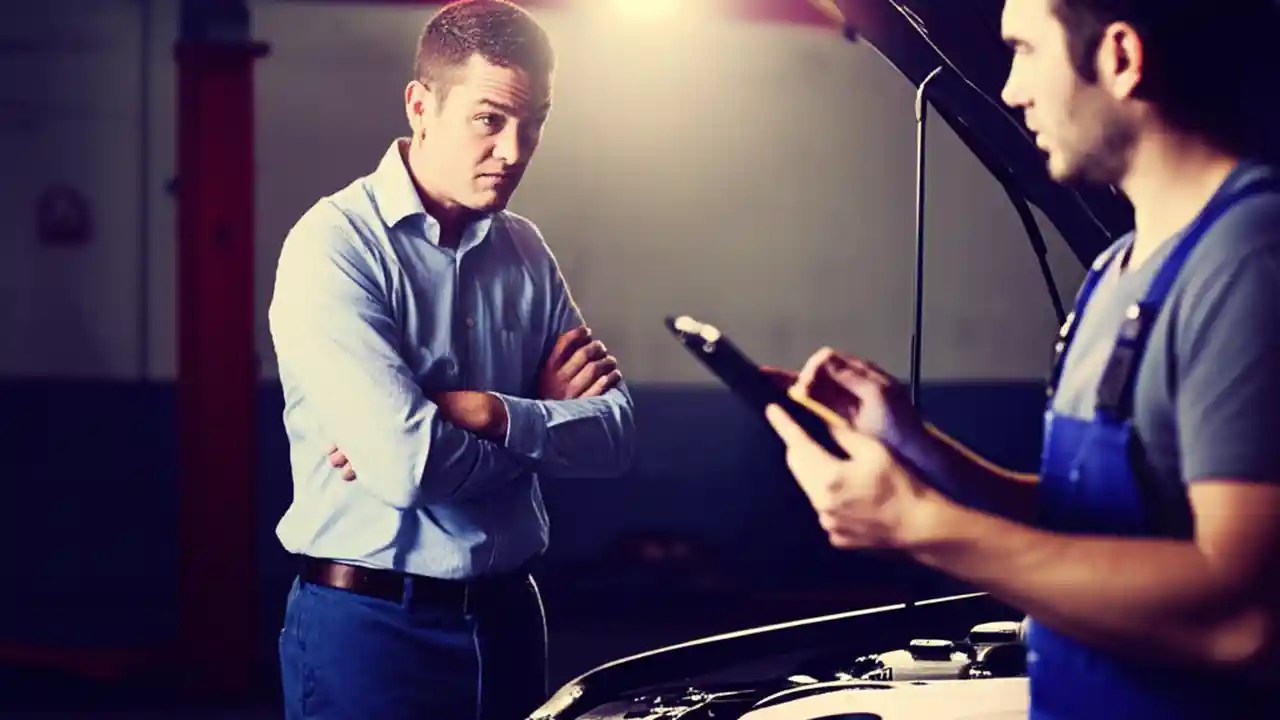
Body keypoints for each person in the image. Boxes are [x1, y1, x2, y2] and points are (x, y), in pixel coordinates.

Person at [764, 0, 1280, 717]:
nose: (1010, 89)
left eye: (1026, 51)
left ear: (1120, 59)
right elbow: (1088, 521)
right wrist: (915, 448)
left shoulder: (1251, 261)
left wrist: (920, 524)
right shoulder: (1113, 270)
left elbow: (1243, 619)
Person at [266, 1, 636, 718]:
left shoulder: (527, 251)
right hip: (370, 630)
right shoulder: (334, 247)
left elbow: (616, 436)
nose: (515, 150)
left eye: (536, 124)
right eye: (490, 119)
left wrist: (487, 412)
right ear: (421, 106)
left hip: (509, 624)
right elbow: (409, 466)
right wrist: (538, 427)